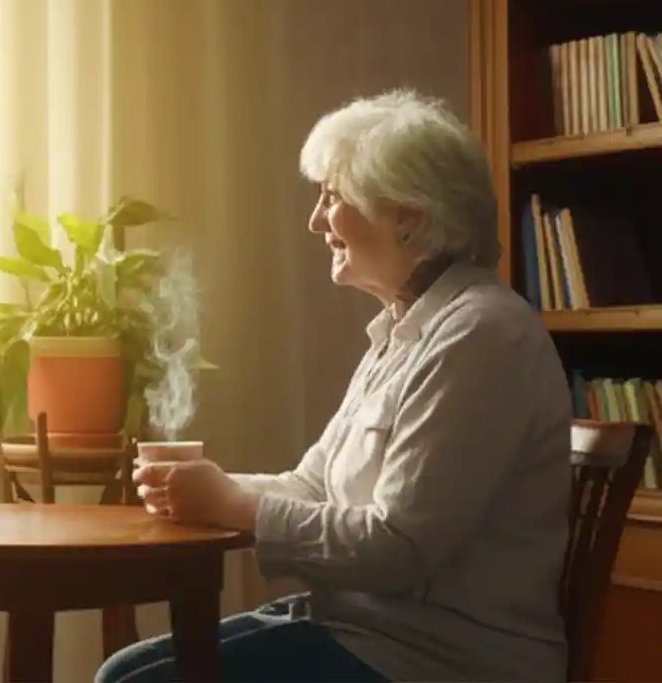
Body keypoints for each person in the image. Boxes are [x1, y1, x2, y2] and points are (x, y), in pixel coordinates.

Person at [99, 90, 571, 682]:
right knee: (126, 670)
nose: (317, 220)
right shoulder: (406, 332)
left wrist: (231, 505)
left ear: (409, 215)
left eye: (334, 196)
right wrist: (202, 488)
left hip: (438, 661)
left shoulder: (481, 336)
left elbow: (397, 549)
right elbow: (313, 485)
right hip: (363, 631)